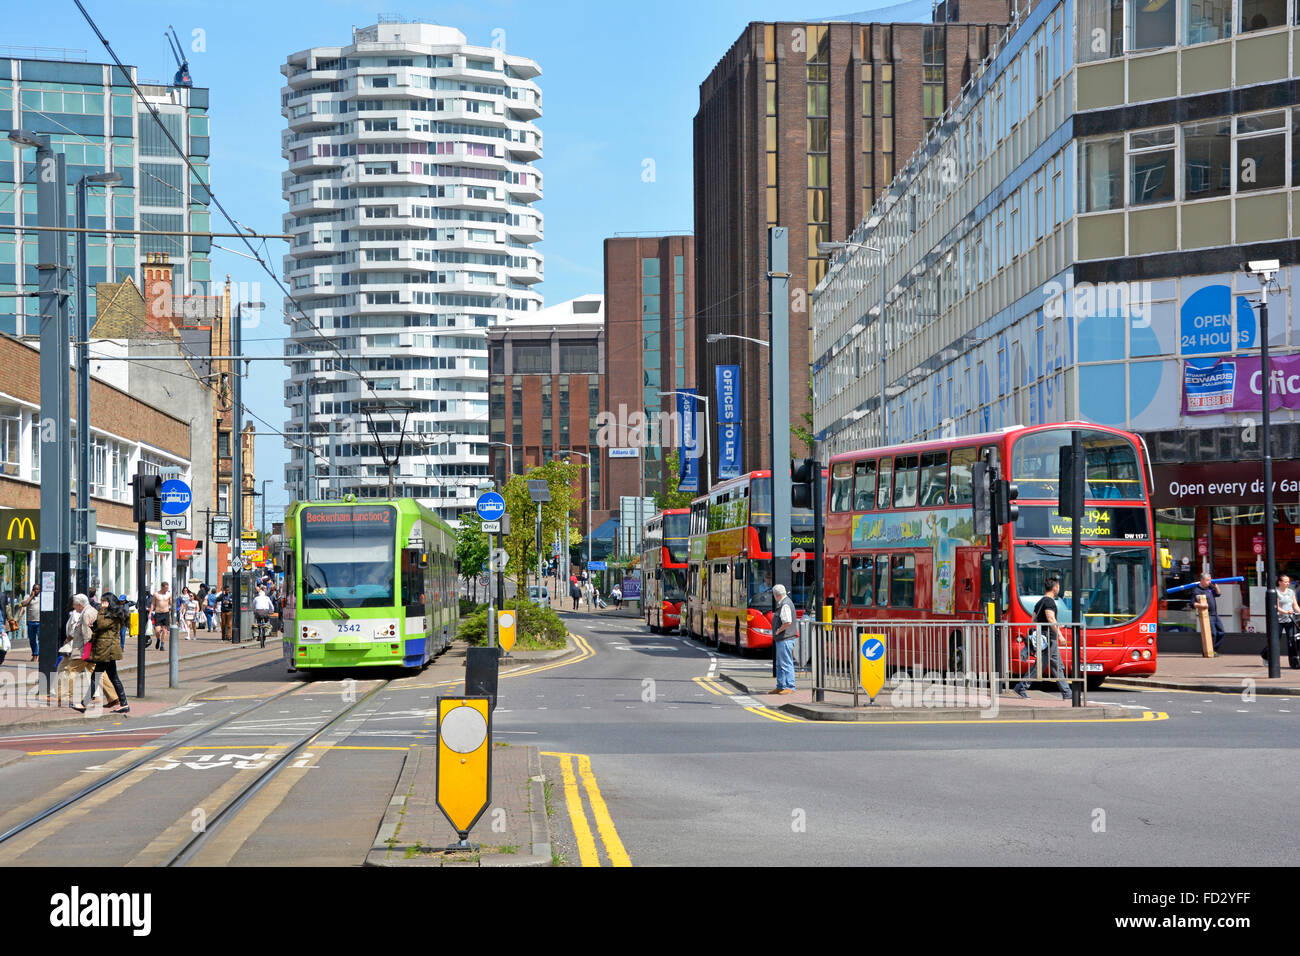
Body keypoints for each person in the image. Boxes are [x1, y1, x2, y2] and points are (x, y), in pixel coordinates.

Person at [1014, 577, 1071, 700]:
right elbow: (1050, 619)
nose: (1059, 589)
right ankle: (1021, 687)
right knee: (1040, 666)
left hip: (1044, 637)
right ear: (1055, 587)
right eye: (1058, 586)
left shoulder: (1040, 602)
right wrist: (1060, 635)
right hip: (1049, 639)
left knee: (1057, 666)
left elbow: (1034, 620)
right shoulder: (1049, 602)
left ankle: (1067, 693)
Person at [75, 593, 128, 715]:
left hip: (107, 650)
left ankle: (84, 703)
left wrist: (102, 611)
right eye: (101, 601)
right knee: (113, 677)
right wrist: (93, 627)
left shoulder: (112, 615)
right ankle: (124, 704)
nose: (101, 604)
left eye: (104, 601)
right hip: (106, 649)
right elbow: (101, 628)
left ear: (109, 602)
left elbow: (102, 624)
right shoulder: (109, 614)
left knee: (96, 676)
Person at [770, 584, 797, 695]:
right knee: (780, 664)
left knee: (786, 663)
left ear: (776, 595)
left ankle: (790, 686)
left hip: (785, 638)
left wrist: (778, 631)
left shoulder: (785, 604)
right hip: (782, 639)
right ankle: (780, 686)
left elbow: (787, 622)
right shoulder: (784, 603)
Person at [1193, 573, 1226, 656]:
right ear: (1202, 580)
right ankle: (1207, 651)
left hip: (1215, 614)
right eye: (1207, 580)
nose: (1209, 582)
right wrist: (1201, 605)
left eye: (1210, 580)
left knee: (1221, 632)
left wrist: (1216, 586)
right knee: (1213, 633)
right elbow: (1192, 603)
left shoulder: (1210, 587)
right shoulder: (1197, 590)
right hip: (1207, 615)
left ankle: (1214, 649)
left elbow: (1218, 594)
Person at [1277, 574, 1298, 669]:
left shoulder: (1291, 592)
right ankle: (1265, 655)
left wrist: (1298, 611)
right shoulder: (1276, 592)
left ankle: (1293, 662)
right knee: (1275, 640)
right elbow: (1276, 608)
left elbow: (1295, 605)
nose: (1287, 583)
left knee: (1291, 640)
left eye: (1288, 581)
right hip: (1278, 620)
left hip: (1290, 619)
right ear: (1280, 582)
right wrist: (1286, 612)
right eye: (1285, 581)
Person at [150, 581, 171, 651]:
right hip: (158, 613)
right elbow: (153, 604)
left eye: (167, 588)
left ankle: (162, 645)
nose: (166, 589)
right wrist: (150, 613)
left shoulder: (169, 594)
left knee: (165, 630)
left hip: (166, 613)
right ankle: (158, 639)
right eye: (165, 588)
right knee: (157, 631)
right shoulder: (156, 594)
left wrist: (173, 611)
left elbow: (171, 604)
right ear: (162, 587)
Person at [20, 584, 39, 660]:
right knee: (32, 639)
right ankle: (35, 653)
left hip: (40, 621)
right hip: (31, 621)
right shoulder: (27, 596)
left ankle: (37, 654)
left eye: (37, 589)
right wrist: (31, 596)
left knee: (40, 639)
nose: (36, 591)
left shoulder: (42, 597)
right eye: (35, 589)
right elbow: (23, 604)